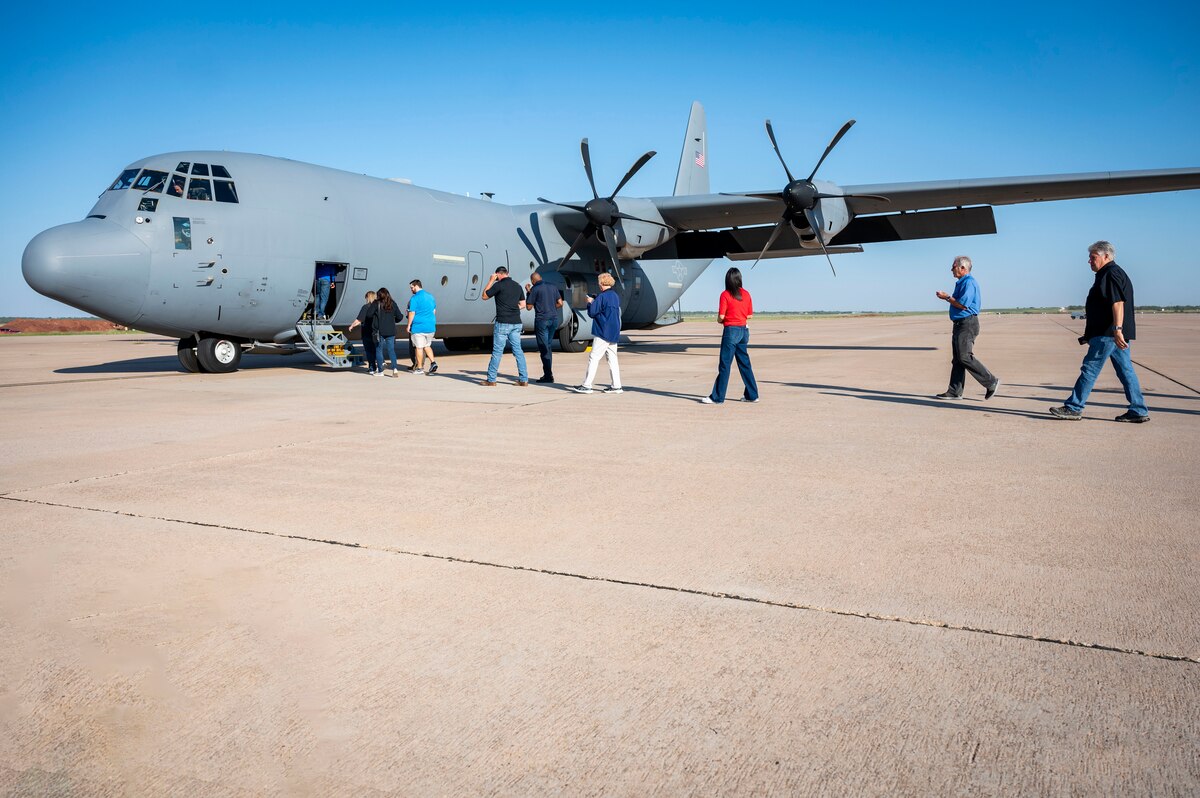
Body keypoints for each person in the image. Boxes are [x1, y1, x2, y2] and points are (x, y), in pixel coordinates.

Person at [1049, 241, 1149, 422]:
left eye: (1093, 257)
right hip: (1112, 333)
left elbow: (1118, 302)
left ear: (1106, 256)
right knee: (1126, 370)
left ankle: (1074, 407)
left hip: (1108, 333)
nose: (1089, 261)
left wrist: (1117, 329)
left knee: (1090, 368)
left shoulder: (1111, 273)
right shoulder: (1109, 273)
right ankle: (1138, 409)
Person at [934, 256, 1000, 400]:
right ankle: (954, 391)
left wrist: (947, 297)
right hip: (959, 324)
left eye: (953, 266)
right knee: (958, 359)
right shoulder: (961, 283)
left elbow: (963, 304)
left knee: (964, 356)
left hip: (967, 324)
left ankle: (991, 381)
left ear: (962, 268)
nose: (951, 269)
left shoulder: (969, 283)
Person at [701, 267, 759, 404]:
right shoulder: (747, 294)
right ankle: (752, 395)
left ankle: (717, 397)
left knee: (725, 365)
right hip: (744, 331)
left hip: (731, 331)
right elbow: (750, 315)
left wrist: (721, 320)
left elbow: (721, 317)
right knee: (745, 364)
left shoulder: (725, 294)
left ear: (728, 280)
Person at [574, 273, 623, 394]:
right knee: (612, 359)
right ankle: (617, 386)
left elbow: (592, 313)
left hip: (603, 330)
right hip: (614, 330)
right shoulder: (615, 296)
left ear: (602, 283)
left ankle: (587, 385)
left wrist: (590, 302)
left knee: (594, 357)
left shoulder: (602, 297)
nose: (598, 284)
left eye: (599, 282)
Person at [481, 266, 528, 386]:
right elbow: (523, 304)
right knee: (518, 351)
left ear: (498, 274)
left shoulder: (498, 285)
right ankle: (523, 379)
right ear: (508, 273)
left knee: (497, 352)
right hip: (516, 322)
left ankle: (491, 380)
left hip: (503, 322)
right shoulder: (517, 286)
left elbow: (484, 296)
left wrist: (491, 280)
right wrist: (512, 309)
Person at [525, 271, 564, 383]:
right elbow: (560, 303)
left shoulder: (535, 289)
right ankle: (548, 374)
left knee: (544, 348)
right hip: (554, 319)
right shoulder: (553, 286)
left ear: (533, 281)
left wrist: (528, 292)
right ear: (541, 278)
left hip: (542, 320)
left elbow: (528, 307)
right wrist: (551, 308)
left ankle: (548, 375)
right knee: (548, 346)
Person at [407, 280, 438, 375]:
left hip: (418, 327)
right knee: (427, 346)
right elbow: (434, 311)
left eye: (412, 288)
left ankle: (419, 368)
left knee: (419, 347)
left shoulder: (414, 298)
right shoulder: (430, 296)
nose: (411, 290)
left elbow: (412, 312)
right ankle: (433, 362)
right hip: (430, 326)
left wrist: (408, 325)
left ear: (416, 286)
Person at [372, 287, 405, 377]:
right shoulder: (392, 303)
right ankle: (395, 369)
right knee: (391, 350)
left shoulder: (376, 303)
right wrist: (393, 320)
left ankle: (380, 371)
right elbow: (400, 316)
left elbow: (369, 314)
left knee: (379, 350)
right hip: (391, 331)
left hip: (380, 331)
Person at [346, 290, 380, 375]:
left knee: (369, 351)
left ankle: (372, 367)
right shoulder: (379, 306)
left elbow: (359, 319)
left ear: (368, 297)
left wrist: (352, 325)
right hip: (377, 331)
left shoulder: (366, 307)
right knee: (377, 350)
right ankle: (379, 367)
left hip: (367, 332)